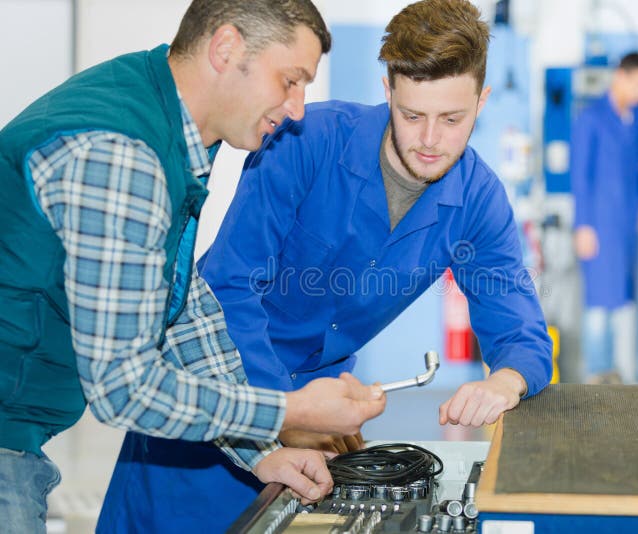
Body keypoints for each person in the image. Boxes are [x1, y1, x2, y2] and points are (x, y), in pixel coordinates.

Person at [98, 0, 554, 531]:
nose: (431, 140)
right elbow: (228, 287)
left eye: (452, 119)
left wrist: (505, 381)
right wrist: (286, 412)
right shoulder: (304, 141)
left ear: (482, 101)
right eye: (412, 115)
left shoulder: (480, 201)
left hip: (319, 435)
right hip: (212, 406)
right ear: (388, 92)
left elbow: (522, 330)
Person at [0, 1, 388, 531]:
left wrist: (260, 454)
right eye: (290, 80)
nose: (298, 108)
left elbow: (183, 313)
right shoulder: (121, 153)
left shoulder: (159, 124)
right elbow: (124, 386)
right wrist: (289, 411)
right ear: (226, 48)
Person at [571, 52, 638, 384]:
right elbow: (580, 175)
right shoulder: (591, 118)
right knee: (598, 306)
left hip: (626, 226)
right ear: (621, 76)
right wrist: (583, 226)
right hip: (598, 225)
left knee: (624, 301)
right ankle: (595, 376)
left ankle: (625, 378)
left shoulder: (636, 120)